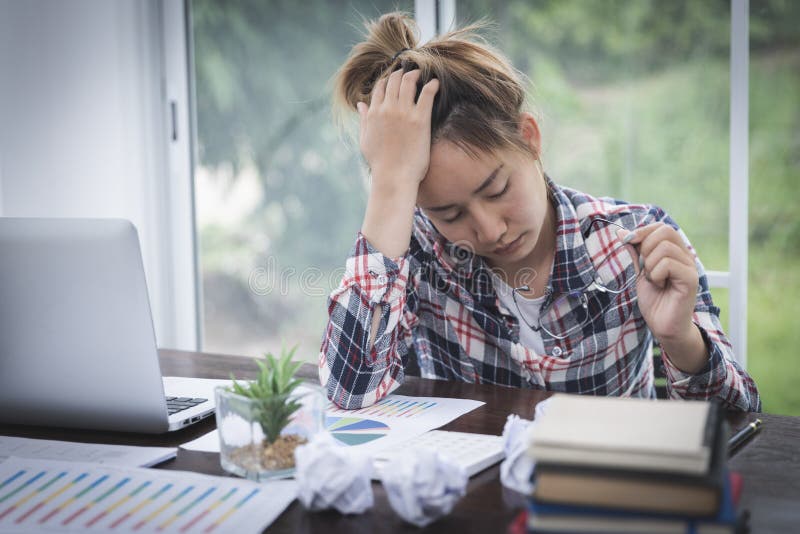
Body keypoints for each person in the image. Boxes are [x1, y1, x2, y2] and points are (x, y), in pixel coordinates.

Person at [318, 12, 760, 413]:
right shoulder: (415, 251)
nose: (489, 230)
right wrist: (391, 183)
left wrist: (681, 340)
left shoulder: (634, 243)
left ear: (529, 138)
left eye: (497, 188)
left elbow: (738, 418)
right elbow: (348, 389)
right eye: (449, 214)